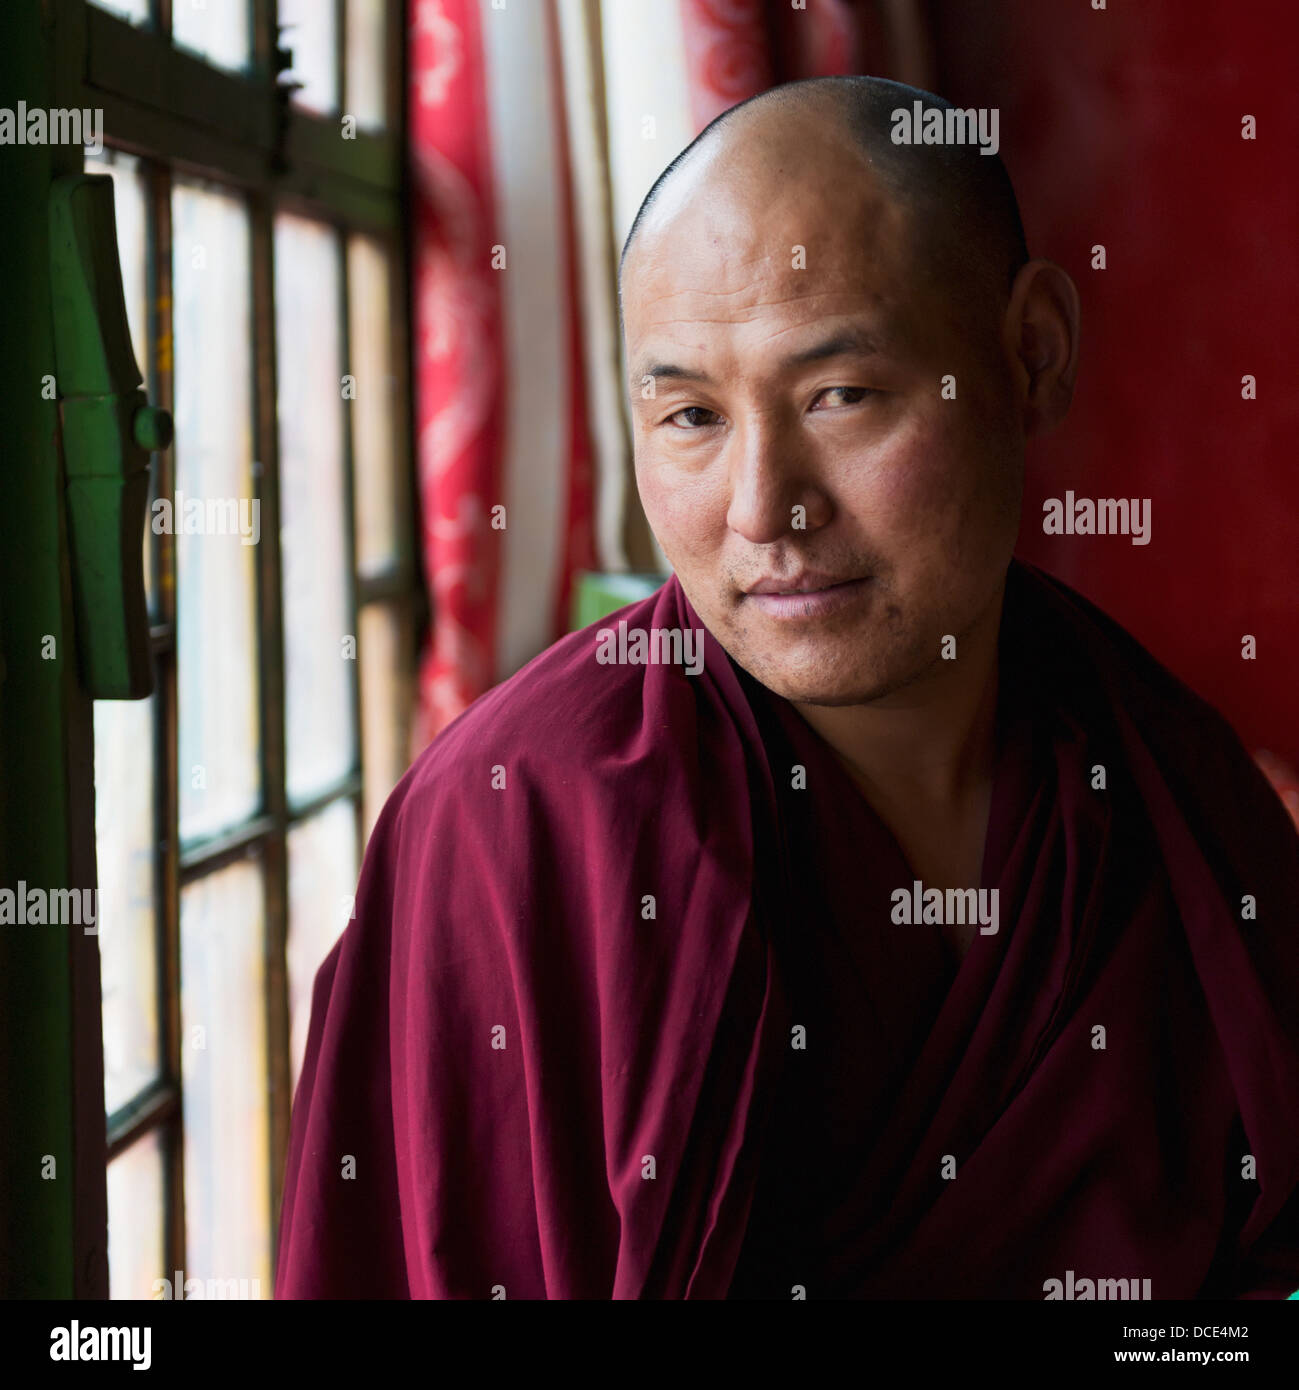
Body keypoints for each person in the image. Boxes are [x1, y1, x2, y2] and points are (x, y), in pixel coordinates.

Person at [275, 76, 1299, 1300]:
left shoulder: (1169, 787)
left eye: (839, 396)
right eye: (692, 415)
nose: (765, 509)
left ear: (1032, 354)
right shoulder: (518, 823)